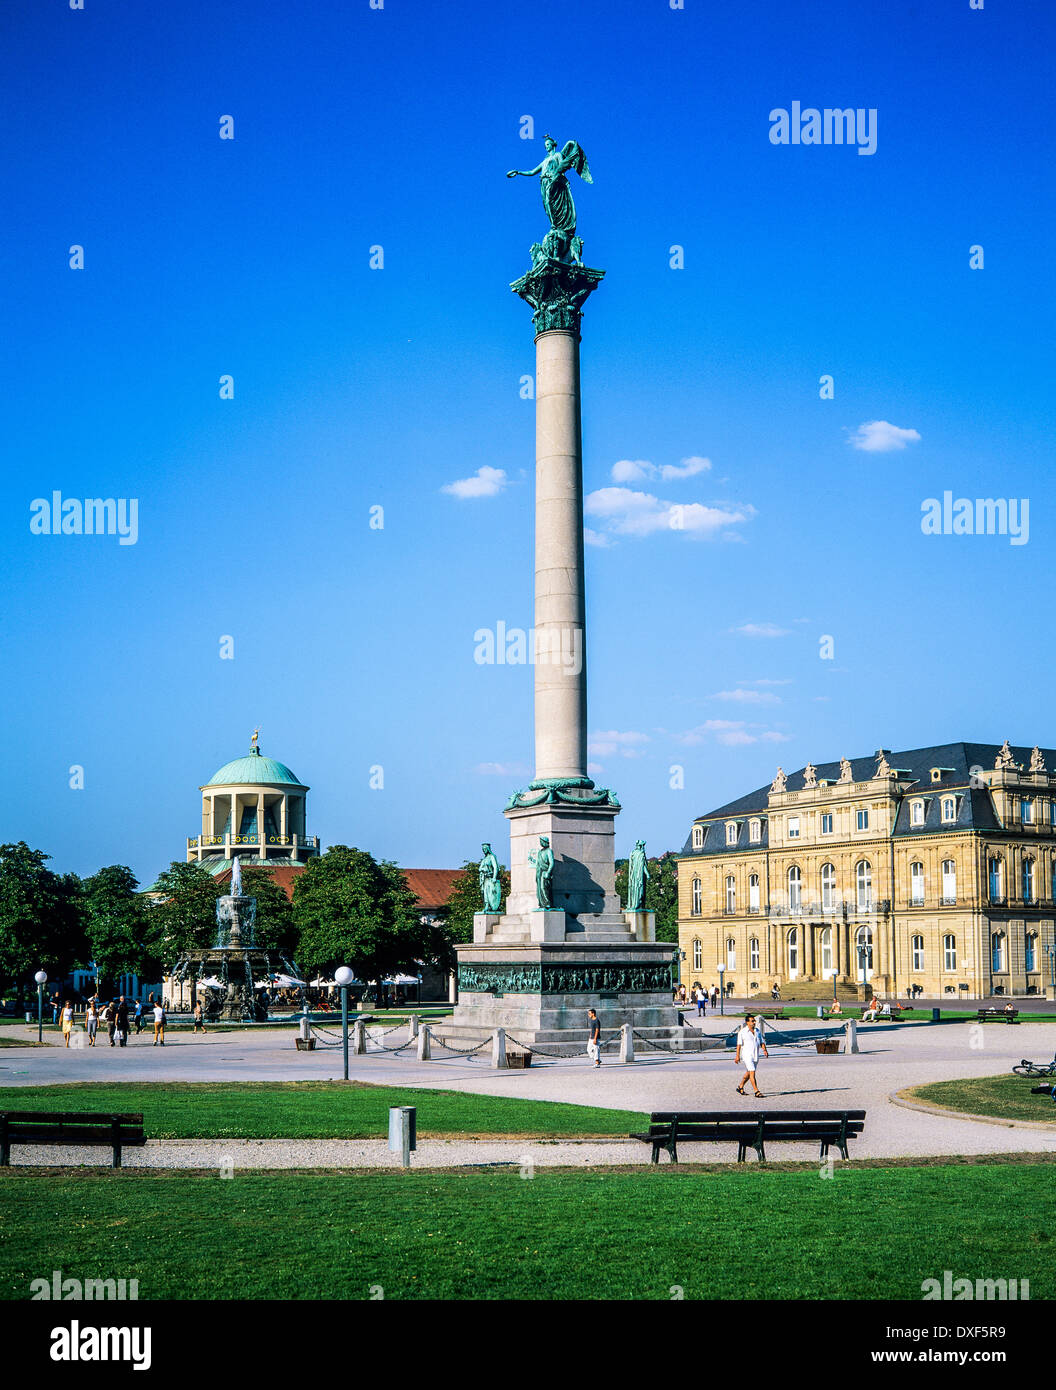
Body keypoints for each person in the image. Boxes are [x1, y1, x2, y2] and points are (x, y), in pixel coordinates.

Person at [735, 1014, 768, 1097]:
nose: (754, 1022)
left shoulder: (757, 1031)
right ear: (747, 1022)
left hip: (756, 1055)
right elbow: (738, 1045)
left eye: (754, 1021)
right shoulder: (742, 1032)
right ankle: (756, 1091)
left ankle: (740, 1087)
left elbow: (761, 1042)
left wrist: (765, 1050)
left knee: (749, 1073)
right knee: (752, 1073)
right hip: (747, 1055)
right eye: (752, 1021)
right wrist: (737, 1056)